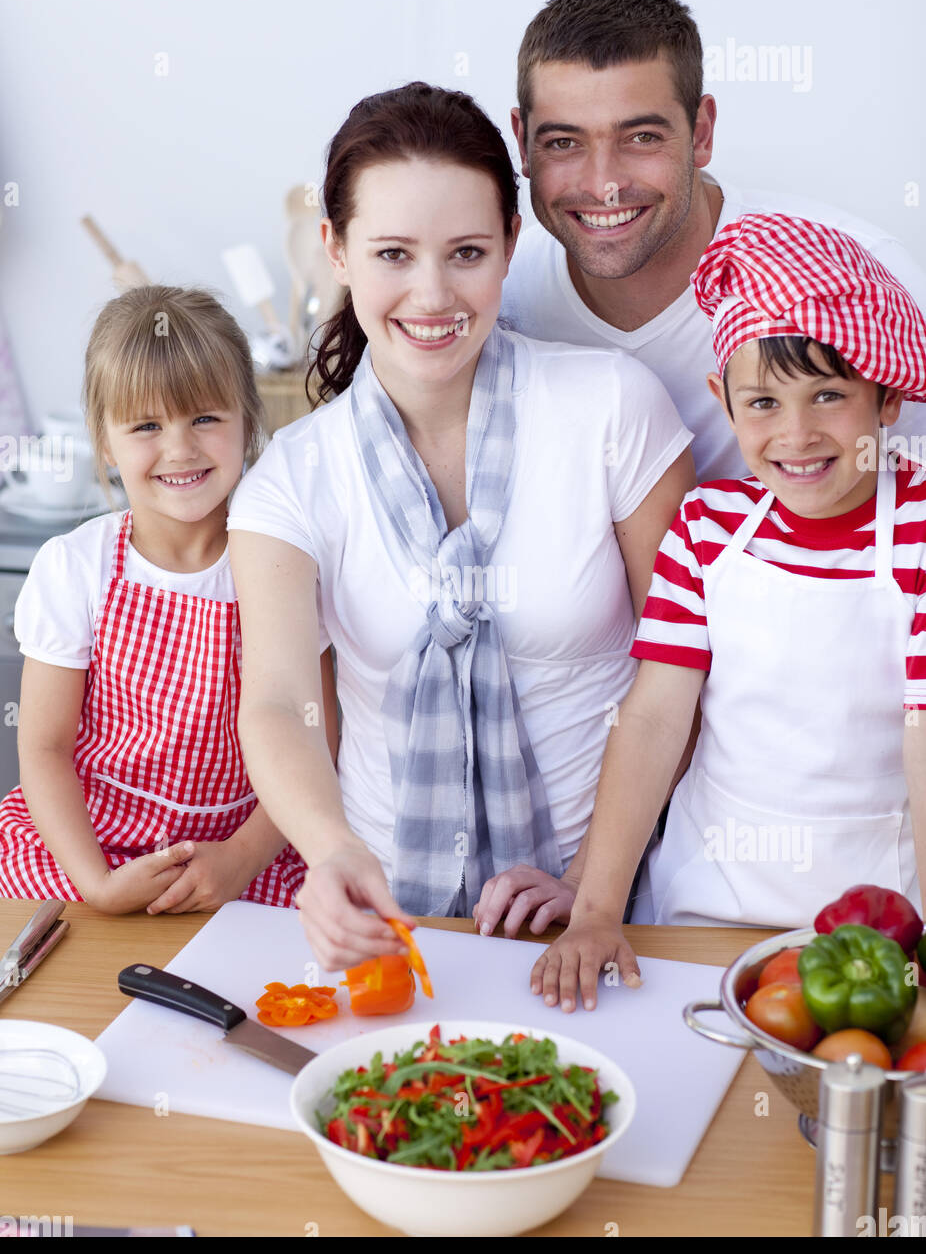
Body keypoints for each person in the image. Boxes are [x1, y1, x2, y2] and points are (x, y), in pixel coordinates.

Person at [226, 82, 695, 972]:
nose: (432, 294)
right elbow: (282, 703)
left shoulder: (613, 407)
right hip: (390, 910)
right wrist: (333, 854)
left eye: (467, 252)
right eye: (394, 253)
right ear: (335, 249)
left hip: (608, 902)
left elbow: (680, 674)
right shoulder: (290, 478)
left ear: (512, 246)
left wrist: (592, 884)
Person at [525, 213, 926, 1012]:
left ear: (885, 402)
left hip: (880, 931)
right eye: (764, 402)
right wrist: (598, 906)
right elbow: (652, 722)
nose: (798, 433)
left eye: (829, 396)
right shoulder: (708, 528)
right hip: (704, 910)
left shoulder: (916, 533)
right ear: (724, 400)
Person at [501, 0, 926, 484]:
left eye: (641, 137)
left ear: (701, 134)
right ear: (523, 144)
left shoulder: (856, 280)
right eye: (565, 142)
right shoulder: (496, 297)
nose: (604, 185)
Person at [0, 286, 310, 912]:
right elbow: (43, 748)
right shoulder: (75, 567)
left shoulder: (286, 563)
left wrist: (243, 859)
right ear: (105, 443)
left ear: (248, 419)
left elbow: (316, 738)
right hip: (89, 846)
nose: (180, 449)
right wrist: (97, 885)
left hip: (246, 849)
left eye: (204, 417)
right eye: (146, 425)